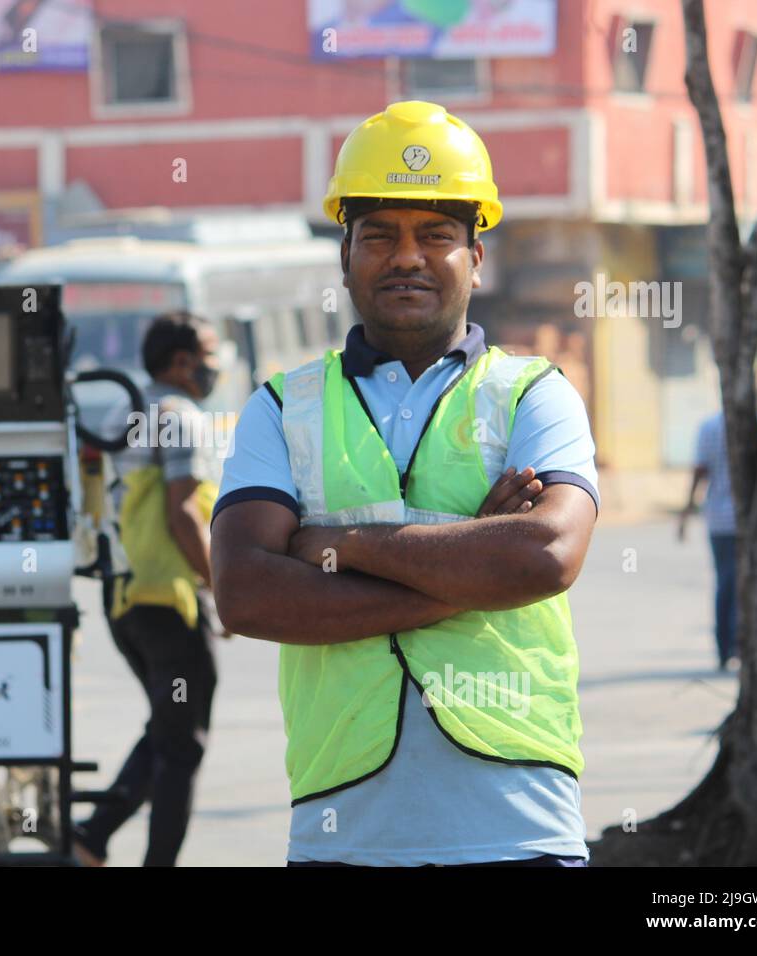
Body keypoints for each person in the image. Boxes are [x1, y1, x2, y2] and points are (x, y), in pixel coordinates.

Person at [211, 101, 600, 867]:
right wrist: (471, 573)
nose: (407, 257)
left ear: (476, 255)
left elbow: (546, 557)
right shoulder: (282, 406)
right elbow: (246, 594)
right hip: (343, 831)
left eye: (437, 235)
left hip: (521, 825)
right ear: (345, 253)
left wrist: (340, 544)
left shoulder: (534, 393)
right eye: (380, 235)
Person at [72, 311, 224, 867]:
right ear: (182, 362)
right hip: (169, 600)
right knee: (183, 745)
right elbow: (184, 513)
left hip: (124, 599)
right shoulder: (179, 416)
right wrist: (221, 587)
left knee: (169, 726)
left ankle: (92, 836)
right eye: (211, 354)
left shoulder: (124, 410)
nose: (217, 366)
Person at [678, 408, 757, 670]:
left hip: (719, 520)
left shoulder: (708, 427)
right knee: (752, 583)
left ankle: (726, 649)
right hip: (752, 520)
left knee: (726, 582)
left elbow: (699, 473)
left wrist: (685, 513)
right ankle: (745, 646)